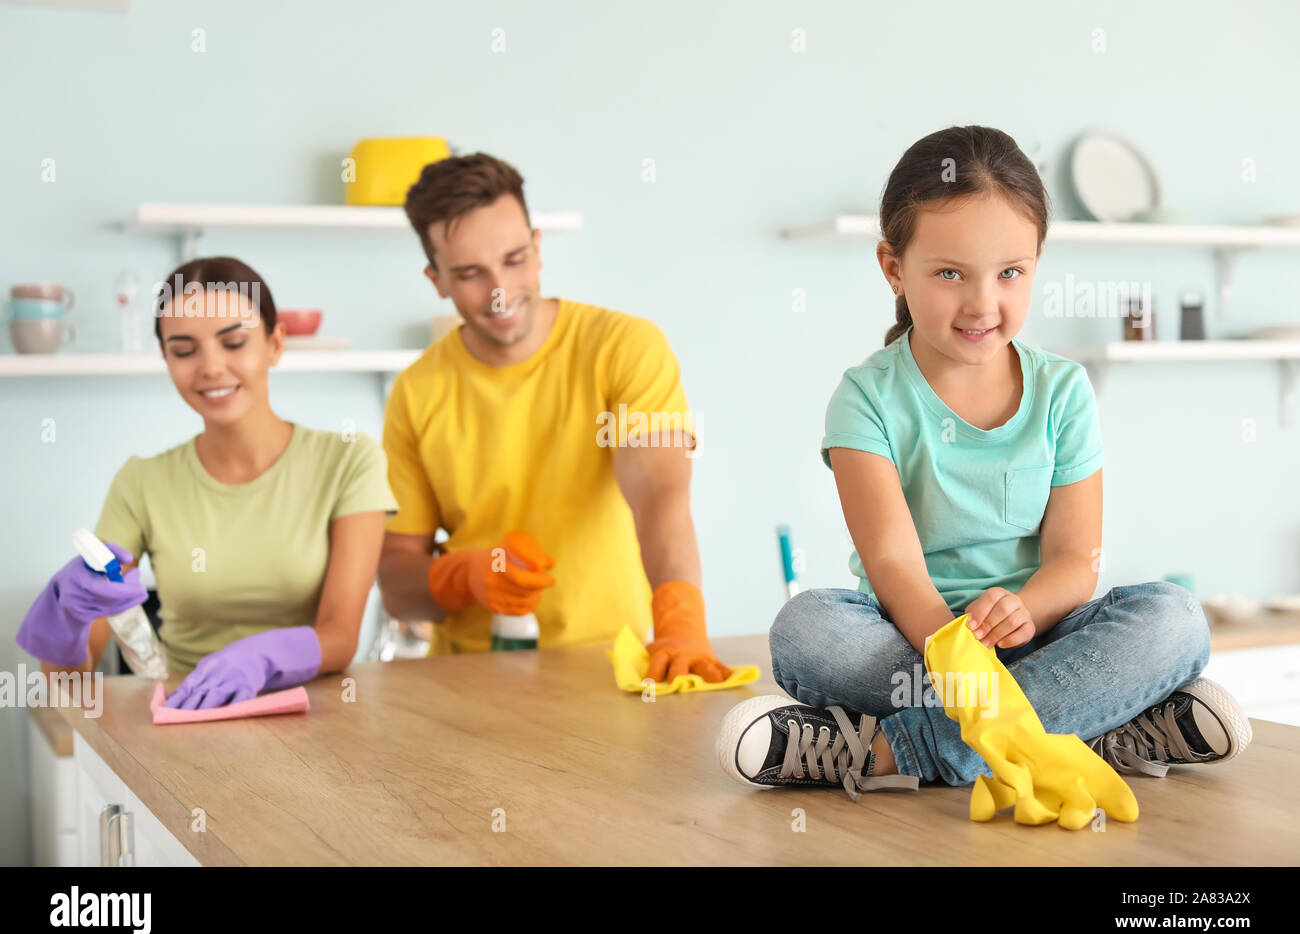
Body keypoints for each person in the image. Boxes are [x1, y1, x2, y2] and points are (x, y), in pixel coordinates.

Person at [717, 126, 1251, 797]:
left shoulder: (1063, 390)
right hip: (918, 648)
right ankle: (1090, 732)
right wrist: (960, 657)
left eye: (1010, 273)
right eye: (949, 274)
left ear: (1035, 265)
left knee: (1174, 619)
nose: (983, 304)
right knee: (806, 630)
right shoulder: (865, 398)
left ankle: (895, 751)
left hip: (1047, 642)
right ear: (893, 268)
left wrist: (1026, 608)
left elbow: (1074, 562)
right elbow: (893, 565)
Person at [378, 152, 732, 682]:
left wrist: (680, 620)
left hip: (612, 669)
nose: (500, 292)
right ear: (437, 280)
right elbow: (397, 584)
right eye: (471, 273)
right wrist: (461, 577)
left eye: (515, 259)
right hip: (467, 681)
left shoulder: (624, 348)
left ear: (538, 249)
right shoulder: (416, 391)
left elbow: (659, 489)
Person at [15, 257, 398, 709]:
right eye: (183, 350)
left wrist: (263, 657)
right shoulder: (142, 481)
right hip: (184, 713)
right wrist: (67, 617)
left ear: (276, 344)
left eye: (233, 342)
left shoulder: (350, 462)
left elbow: (340, 635)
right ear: (165, 359)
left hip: (317, 716)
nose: (211, 367)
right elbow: (71, 680)